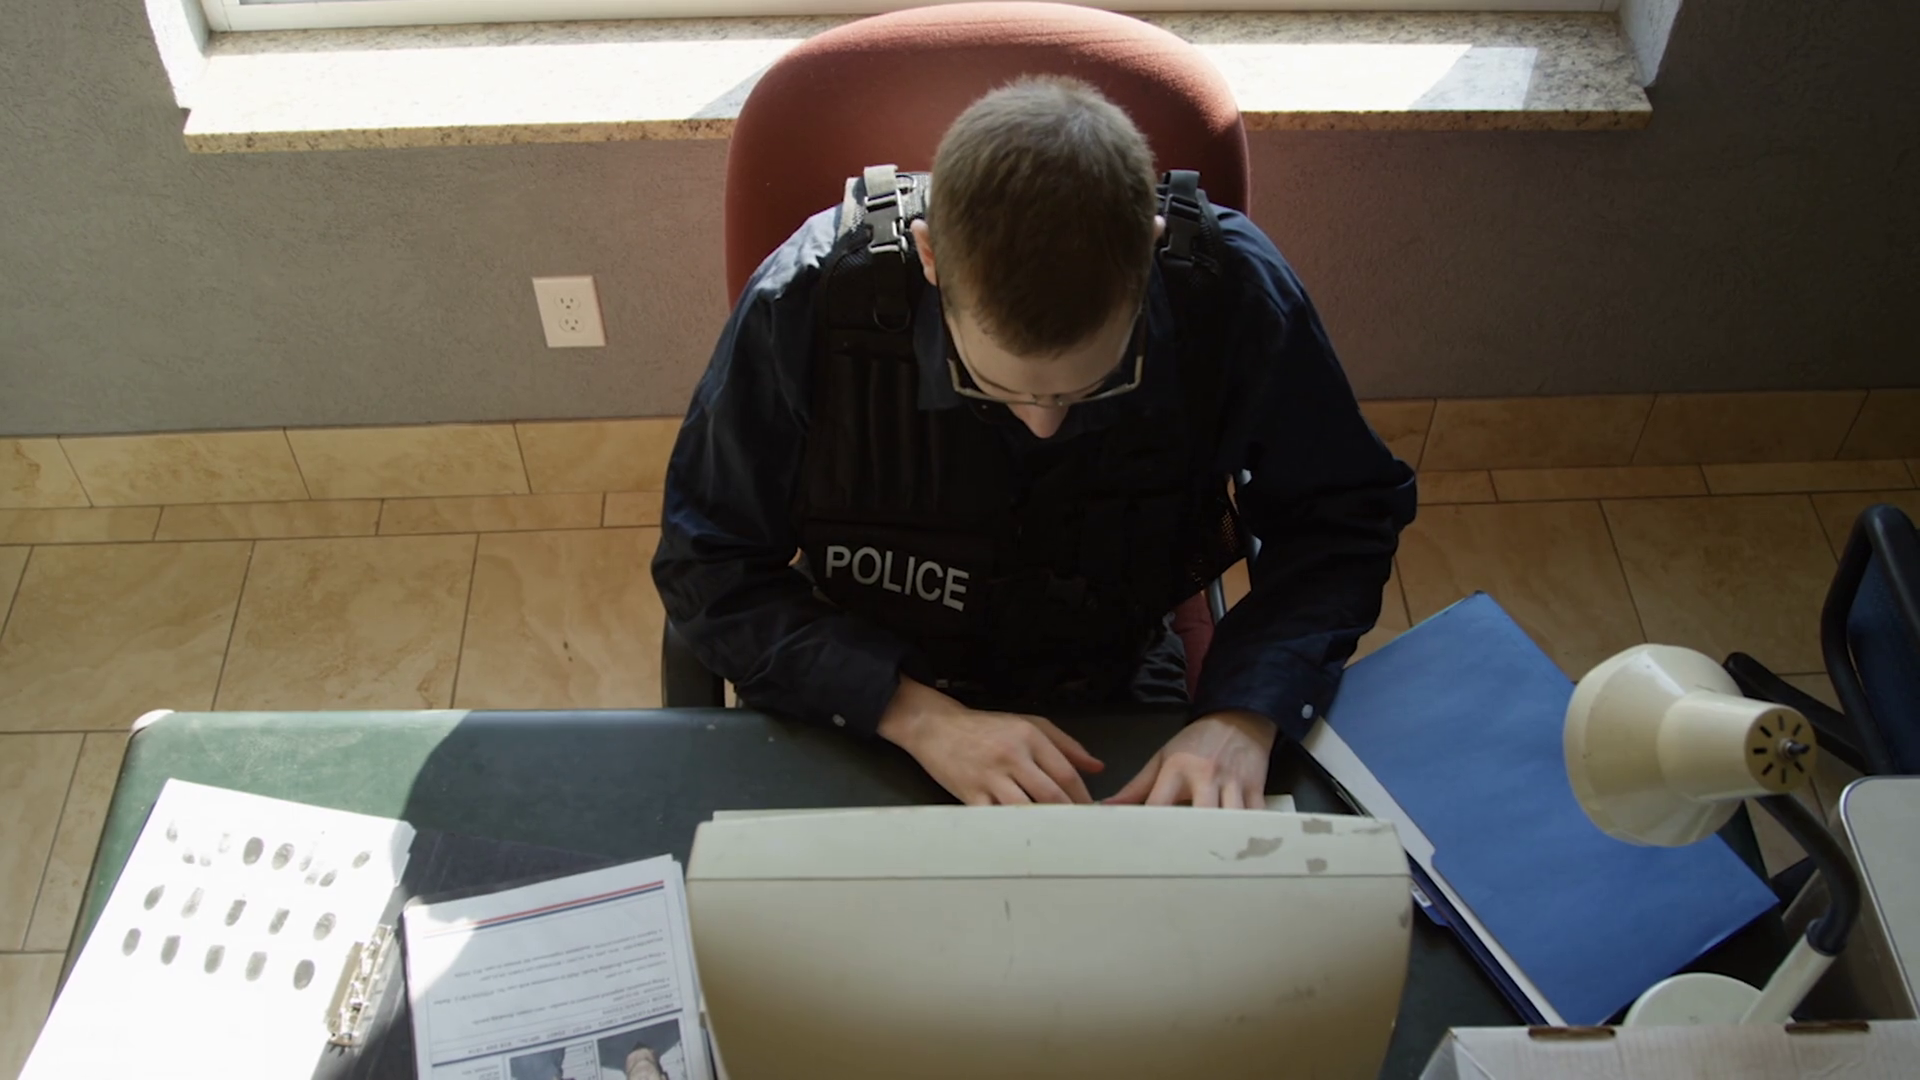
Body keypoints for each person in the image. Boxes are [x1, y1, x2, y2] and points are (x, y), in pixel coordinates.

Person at [653, 76, 1415, 808]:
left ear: (1147, 256)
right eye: (996, 385)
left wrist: (1243, 713)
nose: (1043, 422)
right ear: (930, 260)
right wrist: (915, 715)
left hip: (1105, 688)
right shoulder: (811, 301)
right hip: (862, 688)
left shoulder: (1230, 295)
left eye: (1090, 388)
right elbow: (707, 563)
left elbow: (1340, 521)